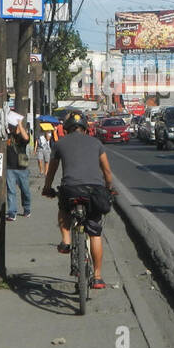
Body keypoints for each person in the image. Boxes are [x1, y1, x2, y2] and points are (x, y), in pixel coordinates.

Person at [42, 109, 114, 291]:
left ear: (66, 129)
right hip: (94, 191)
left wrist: (47, 187)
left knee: (63, 208)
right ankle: (97, 277)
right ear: (85, 128)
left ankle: (66, 241)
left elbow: (51, 170)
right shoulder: (96, 143)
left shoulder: (59, 144)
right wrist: (110, 188)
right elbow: (106, 171)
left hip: (71, 189)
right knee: (95, 232)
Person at [5, 111, 32, 220]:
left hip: (22, 168)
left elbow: (26, 138)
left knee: (25, 190)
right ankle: (12, 212)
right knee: (11, 191)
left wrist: (20, 124)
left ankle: (27, 208)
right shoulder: (7, 136)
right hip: (9, 168)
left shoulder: (21, 138)